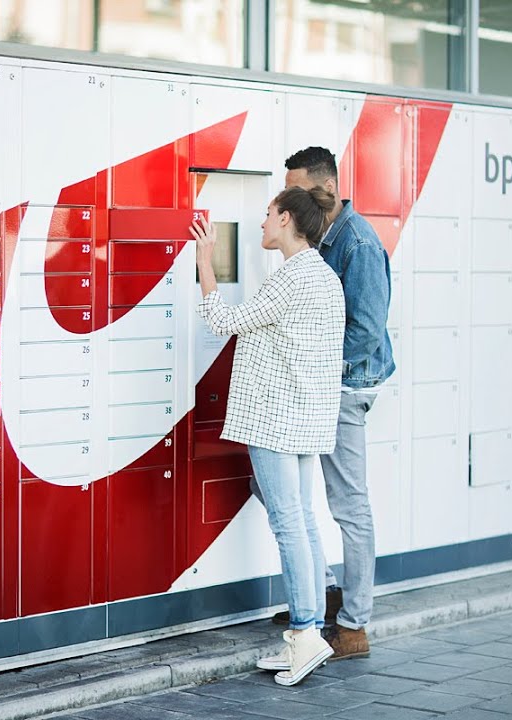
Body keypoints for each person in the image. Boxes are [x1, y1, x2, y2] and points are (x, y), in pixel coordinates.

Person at [190, 186, 345, 687]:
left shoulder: (291, 279)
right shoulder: (323, 277)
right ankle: (310, 633)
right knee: (302, 521)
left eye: (267, 215)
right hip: (306, 419)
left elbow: (222, 321)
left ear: (287, 222)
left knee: (288, 525)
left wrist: (205, 263)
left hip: (276, 421)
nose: (261, 224)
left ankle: (303, 632)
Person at [259, 146, 395, 661]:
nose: (292, 201)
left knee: (348, 504)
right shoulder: (322, 239)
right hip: (316, 387)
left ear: (329, 190)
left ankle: (354, 624)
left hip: (343, 390)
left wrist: (314, 365)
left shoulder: (356, 243)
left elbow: (365, 331)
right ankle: (321, 590)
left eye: (301, 191)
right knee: (275, 487)